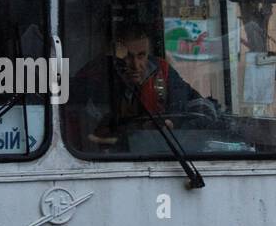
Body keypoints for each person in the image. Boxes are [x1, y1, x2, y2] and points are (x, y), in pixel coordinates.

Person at [69, 21, 215, 148]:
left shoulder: (162, 71)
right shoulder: (93, 78)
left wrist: (176, 125)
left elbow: (201, 107)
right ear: (111, 54)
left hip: (164, 156)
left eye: (141, 55)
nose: (136, 65)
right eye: (127, 57)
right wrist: (138, 129)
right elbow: (91, 135)